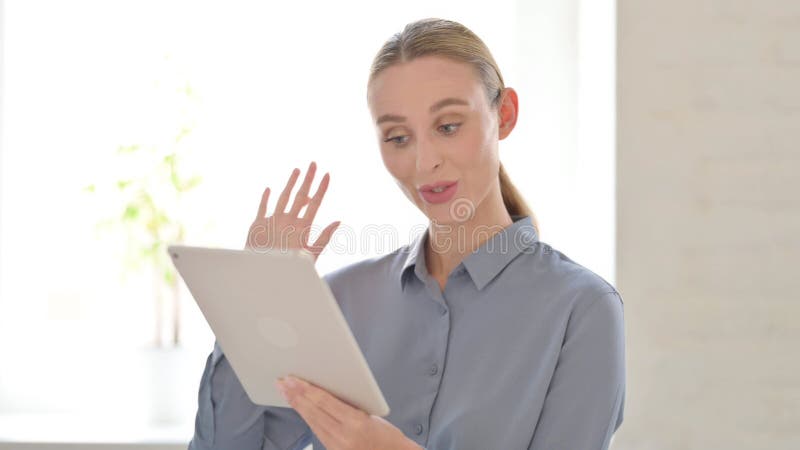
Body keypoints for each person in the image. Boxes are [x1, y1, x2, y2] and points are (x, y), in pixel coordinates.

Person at [188, 17, 625, 450]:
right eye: (398, 137)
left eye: (448, 126)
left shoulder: (582, 310)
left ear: (504, 114)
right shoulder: (339, 301)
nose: (423, 162)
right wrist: (252, 304)